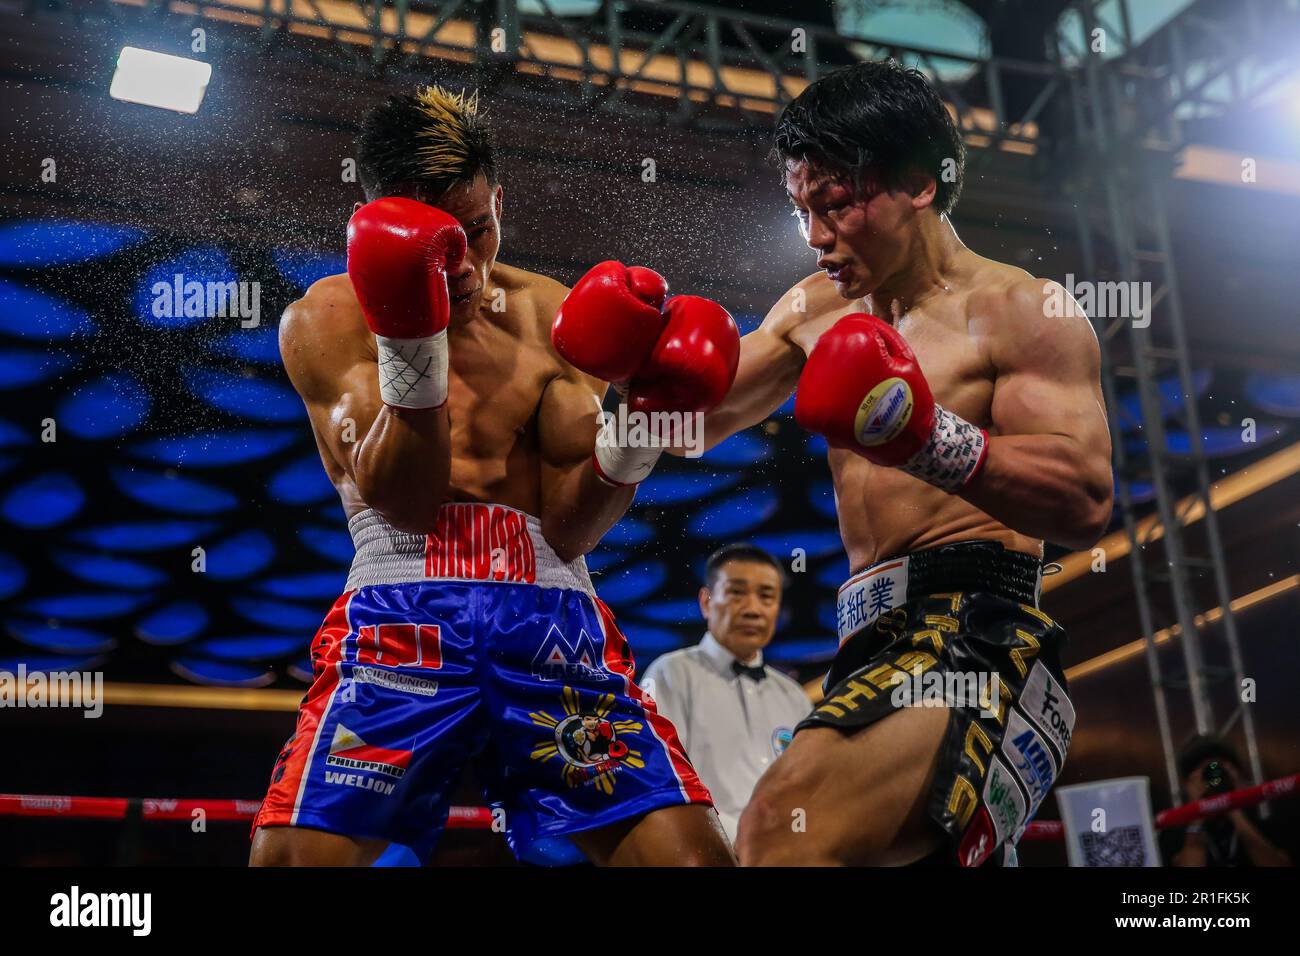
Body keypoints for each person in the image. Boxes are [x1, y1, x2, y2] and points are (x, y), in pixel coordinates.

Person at [250, 85, 739, 866]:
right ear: (377, 220)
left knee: (693, 860)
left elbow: (573, 525)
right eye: (443, 241)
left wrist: (641, 424)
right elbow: (405, 503)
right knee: (294, 862)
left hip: (547, 609)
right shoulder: (326, 318)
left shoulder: (550, 314)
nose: (469, 262)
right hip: (402, 609)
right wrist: (414, 335)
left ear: (498, 200)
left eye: (479, 229)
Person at [689, 60, 1114, 866]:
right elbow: (687, 425)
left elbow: (1085, 497)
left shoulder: (1021, 312)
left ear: (920, 185)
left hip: (977, 635)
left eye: (835, 205)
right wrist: (632, 371)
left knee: (781, 832)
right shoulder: (813, 310)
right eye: (801, 209)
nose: (815, 235)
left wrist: (922, 436)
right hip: (866, 641)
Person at [642, 544, 811, 841]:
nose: (753, 609)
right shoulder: (670, 674)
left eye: (766, 596)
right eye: (736, 592)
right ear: (706, 601)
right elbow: (664, 783)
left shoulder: (794, 697)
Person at [1160, 735, 1293, 867]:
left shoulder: (1265, 827)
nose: (1214, 778)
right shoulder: (1178, 837)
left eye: (1220, 770)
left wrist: (1232, 801)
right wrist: (1198, 809)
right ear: (1188, 783)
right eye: (1206, 774)